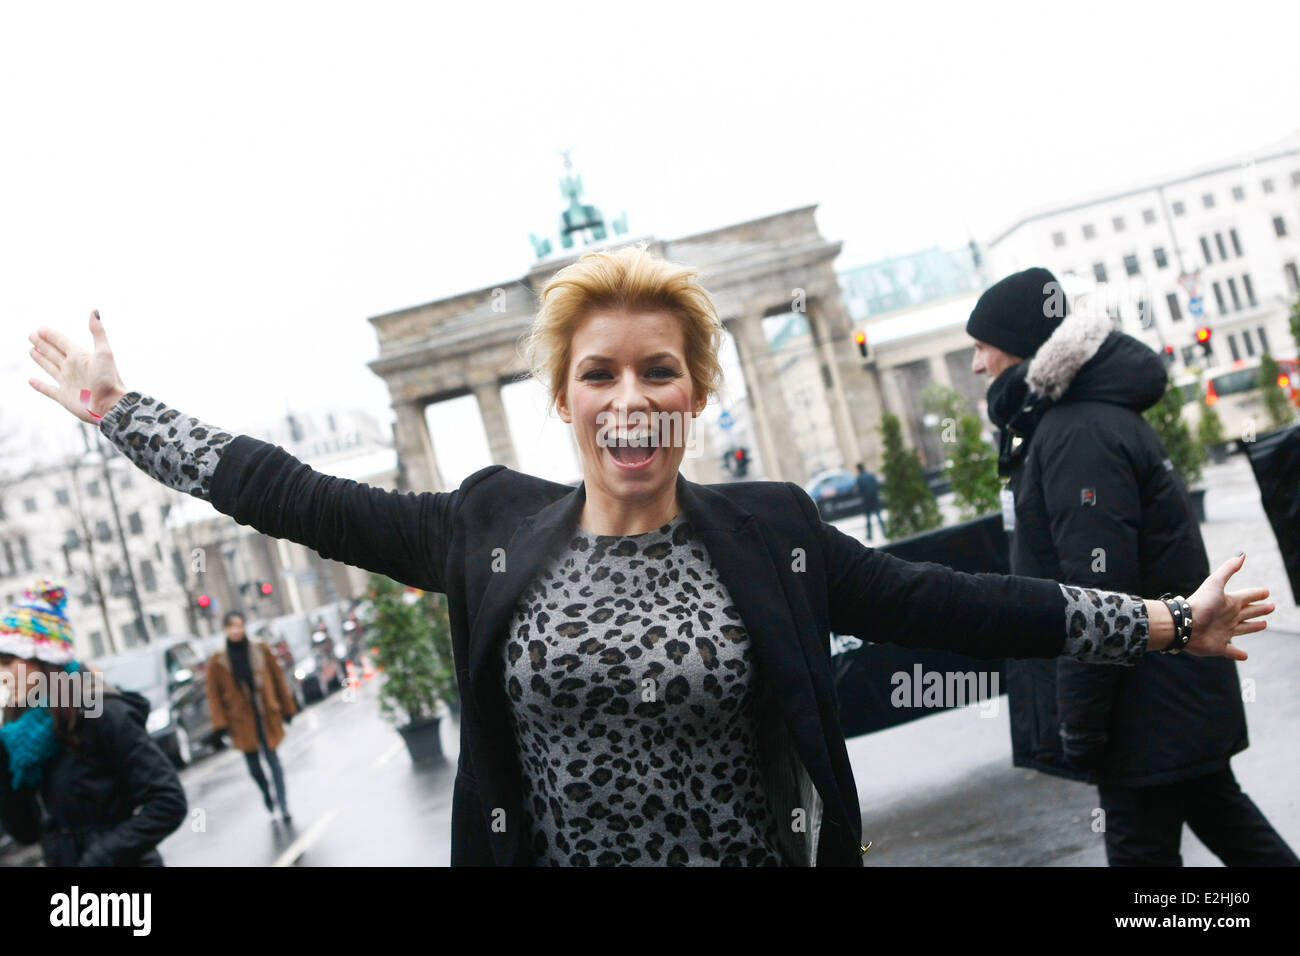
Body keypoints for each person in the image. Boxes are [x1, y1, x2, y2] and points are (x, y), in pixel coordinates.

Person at [27, 247, 1272, 867]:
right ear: (565, 400)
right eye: (600, 372)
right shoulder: (486, 527)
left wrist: (1165, 620)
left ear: (693, 395)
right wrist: (122, 410)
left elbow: (958, 603)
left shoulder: (771, 531)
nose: (630, 395)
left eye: (659, 369)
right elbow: (292, 493)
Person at [969, 266, 1298, 867]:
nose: (975, 364)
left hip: (1141, 700)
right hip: (1159, 689)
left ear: (1017, 346)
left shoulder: (1076, 432)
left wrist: (1083, 719)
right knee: (1222, 822)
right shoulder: (1079, 420)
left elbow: (1096, 591)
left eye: (982, 346)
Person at [0, 579, 187, 865]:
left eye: (7, 661)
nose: (2, 675)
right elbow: (26, 832)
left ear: (44, 658)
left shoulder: (99, 710)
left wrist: (101, 856)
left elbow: (168, 802)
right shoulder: (19, 731)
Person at [206, 610, 298, 824]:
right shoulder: (218, 660)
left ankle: (283, 804)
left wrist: (287, 708)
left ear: (244, 626)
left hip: (265, 714)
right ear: (226, 630)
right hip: (241, 721)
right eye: (231, 626)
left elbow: (277, 679)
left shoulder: (260, 649)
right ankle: (267, 793)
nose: (236, 630)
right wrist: (220, 725)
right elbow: (214, 695)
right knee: (254, 768)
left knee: (274, 760)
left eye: (239, 625)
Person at [853, 462, 886, 542]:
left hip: (866, 500)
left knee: (868, 519)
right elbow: (877, 485)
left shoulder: (859, 478)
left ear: (858, 469)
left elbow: (857, 491)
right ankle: (884, 532)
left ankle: (870, 535)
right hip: (874, 498)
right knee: (879, 516)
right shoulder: (871, 475)